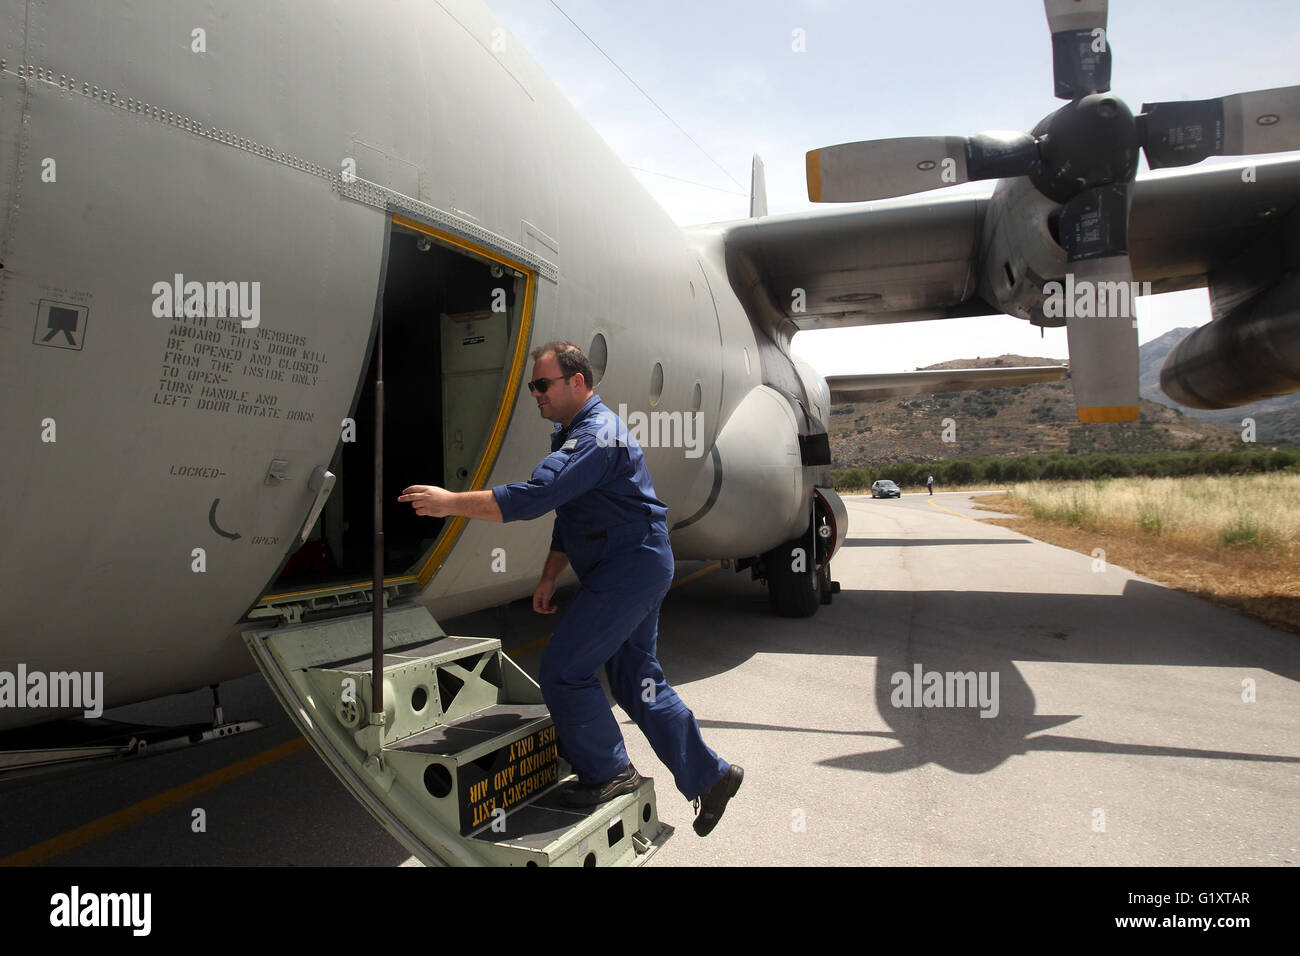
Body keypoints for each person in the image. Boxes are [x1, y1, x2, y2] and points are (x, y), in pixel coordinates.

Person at [398, 341, 742, 837]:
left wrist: (452, 502)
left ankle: (609, 773)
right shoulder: (574, 434)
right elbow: (570, 512)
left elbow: (537, 497)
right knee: (635, 681)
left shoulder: (596, 436)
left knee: (564, 670)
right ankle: (711, 778)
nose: (534, 394)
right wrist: (549, 573)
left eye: (542, 384)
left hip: (629, 568)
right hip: (629, 565)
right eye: (532, 386)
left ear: (576, 382)